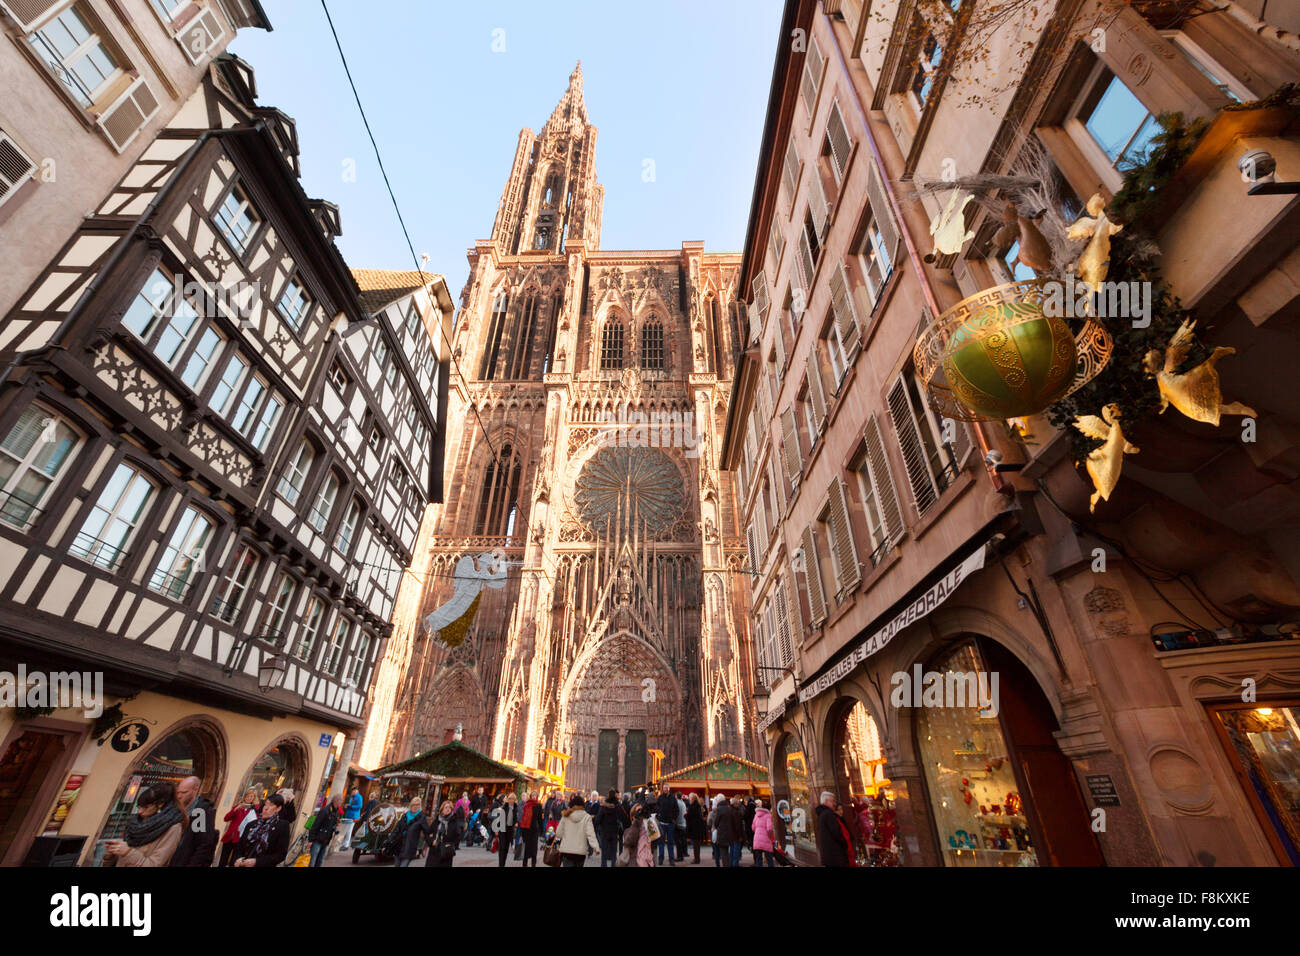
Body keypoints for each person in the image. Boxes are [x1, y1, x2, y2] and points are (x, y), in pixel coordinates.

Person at [102, 782, 183, 867]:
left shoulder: (173, 828)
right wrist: (110, 857)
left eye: (145, 807)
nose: (140, 811)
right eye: (139, 806)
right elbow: (122, 860)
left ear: (160, 804)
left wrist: (127, 852)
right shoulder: (135, 822)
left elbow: (155, 864)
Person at [169, 775, 217, 867]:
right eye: (178, 792)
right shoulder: (175, 807)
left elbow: (203, 845)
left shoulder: (199, 812)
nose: (179, 796)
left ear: (195, 790)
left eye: (184, 792)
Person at [234, 793, 291, 867]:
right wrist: (239, 859)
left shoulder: (282, 826)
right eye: (265, 804)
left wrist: (256, 862)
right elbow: (239, 847)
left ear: (278, 808)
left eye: (270, 805)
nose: (266, 808)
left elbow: (280, 855)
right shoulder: (252, 824)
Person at [554, 793, 600, 867]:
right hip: (580, 853)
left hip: (567, 851)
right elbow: (591, 834)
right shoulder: (587, 817)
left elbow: (558, 833)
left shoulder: (566, 816)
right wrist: (596, 848)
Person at [218, 788, 259, 867]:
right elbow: (226, 818)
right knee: (223, 859)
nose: (249, 798)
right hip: (230, 837)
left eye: (251, 797)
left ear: (254, 798)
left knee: (234, 862)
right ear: (244, 797)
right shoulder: (238, 806)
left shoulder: (253, 810)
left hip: (240, 839)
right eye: (248, 796)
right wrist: (235, 810)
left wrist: (254, 808)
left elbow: (255, 822)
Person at [815, 791, 854, 867]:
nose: (834, 804)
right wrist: (845, 845)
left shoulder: (822, 814)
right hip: (836, 856)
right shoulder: (829, 814)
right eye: (832, 801)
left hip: (829, 857)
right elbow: (837, 834)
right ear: (826, 801)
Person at [392, 797, 429, 867]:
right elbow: (396, 829)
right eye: (414, 804)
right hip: (398, 847)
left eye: (417, 805)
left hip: (409, 848)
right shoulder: (405, 816)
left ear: (420, 806)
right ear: (411, 805)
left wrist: (431, 841)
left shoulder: (421, 817)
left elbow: (427, 831)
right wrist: (389, 842)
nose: (415, 806)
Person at [307, 795, 343, 867]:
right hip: (318, 839)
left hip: (326, 840)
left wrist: (335, 829)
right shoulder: (325, 811)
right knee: (312, 861)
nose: (341, 802)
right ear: (336, 801)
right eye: (341, 800)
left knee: (320, 861)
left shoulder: (336, 811)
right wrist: (310, 840)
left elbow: (332, 824)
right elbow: (315, 825)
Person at [426, 800, 463, 867]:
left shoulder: (454, 821)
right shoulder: (437, 820)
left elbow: (458, 835)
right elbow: (428, 833)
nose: (448, 809)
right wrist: (431, 841)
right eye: (446, 807)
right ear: (442, 809)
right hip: (434, 851)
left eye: (450, 808)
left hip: (446, 852)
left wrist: (451, 845)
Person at [593, 789, 624, 868]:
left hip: (605, 832)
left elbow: (597, 820)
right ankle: (613, 865)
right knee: (614, 852)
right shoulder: (618, 806)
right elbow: (622, 818)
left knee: (604, 852)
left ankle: (604, 865)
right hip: (614, 832)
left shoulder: (603, 807)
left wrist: (599, 824)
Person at [492, 792, 520, 867]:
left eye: (513, 799)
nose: (511, 800)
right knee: (502, 847)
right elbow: (499, 819)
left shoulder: (516, 808)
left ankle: (503, 863)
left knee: (506, 849)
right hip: (502, 829)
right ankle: (500, 864)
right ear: (508, 800)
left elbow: (517, 819)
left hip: (510, 830)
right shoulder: (504, 807)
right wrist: (496, 830)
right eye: (510, 799)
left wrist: (516, 822)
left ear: (515, 800)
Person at [713, 794, 741, 867]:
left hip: (722, 835)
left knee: (724, 853)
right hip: (730, 835)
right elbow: (733, 822)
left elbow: (716, 823)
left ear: (718, 801)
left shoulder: (718, 809)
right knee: (728, 852)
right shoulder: (729, 808)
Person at [655, 783, 679, 866]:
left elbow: (677, 810)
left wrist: (674, 819)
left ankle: (671, 859)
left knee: (670, 842)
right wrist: (658, 815)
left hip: (670, 824)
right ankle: (661, 859)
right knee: (661, 842)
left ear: (669, 789)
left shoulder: (673, 798)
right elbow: (656, 807)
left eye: (666, 788)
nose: (665, 789)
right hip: (662, 823)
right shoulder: (660, 797)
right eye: (664, 788)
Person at [518, 789, 544, 866]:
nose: (533, 797)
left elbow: (540, 818)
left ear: (537, 797)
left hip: (534, 830)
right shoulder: (526, 805)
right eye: (532, 795)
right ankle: (524, 863)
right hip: (526, 829)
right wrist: (522, 829)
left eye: (535, 795)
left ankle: (533, 864)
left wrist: (541, 830)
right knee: (526, 847)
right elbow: (523, 818)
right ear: (530, 796)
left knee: (534, 848)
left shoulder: (539, 805)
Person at [751, 799, 776, 867]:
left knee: (758, 860)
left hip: (757, 839)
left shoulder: (756, 815)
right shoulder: (768, 815)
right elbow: (769, 829)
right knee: (769, 860)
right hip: (766, 840)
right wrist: (772, 838)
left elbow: (753, 827)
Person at [338, 787, 363, 851]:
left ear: (356, 791)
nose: (352, 792)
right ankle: (344, 844)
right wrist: (347, 806)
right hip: (350, 815)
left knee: (349, 831)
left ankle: (346, 845)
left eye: (353, 791)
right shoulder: (353, 797)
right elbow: (351, 804)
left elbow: (360, 806)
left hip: (353, 816)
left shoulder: (359, 797)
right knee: (347, 830)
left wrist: (350, 806)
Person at [685, 793, 706, 864]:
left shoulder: (692, 806)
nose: (689, 799)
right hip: (698, 828)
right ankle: (697, 858)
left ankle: (696, 859)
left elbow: (690, 817)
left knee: (695, 845)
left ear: (692, 799)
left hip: (694, 828)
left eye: (690, 798)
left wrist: (685, 815)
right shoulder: (698, 806)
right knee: (697, 845)